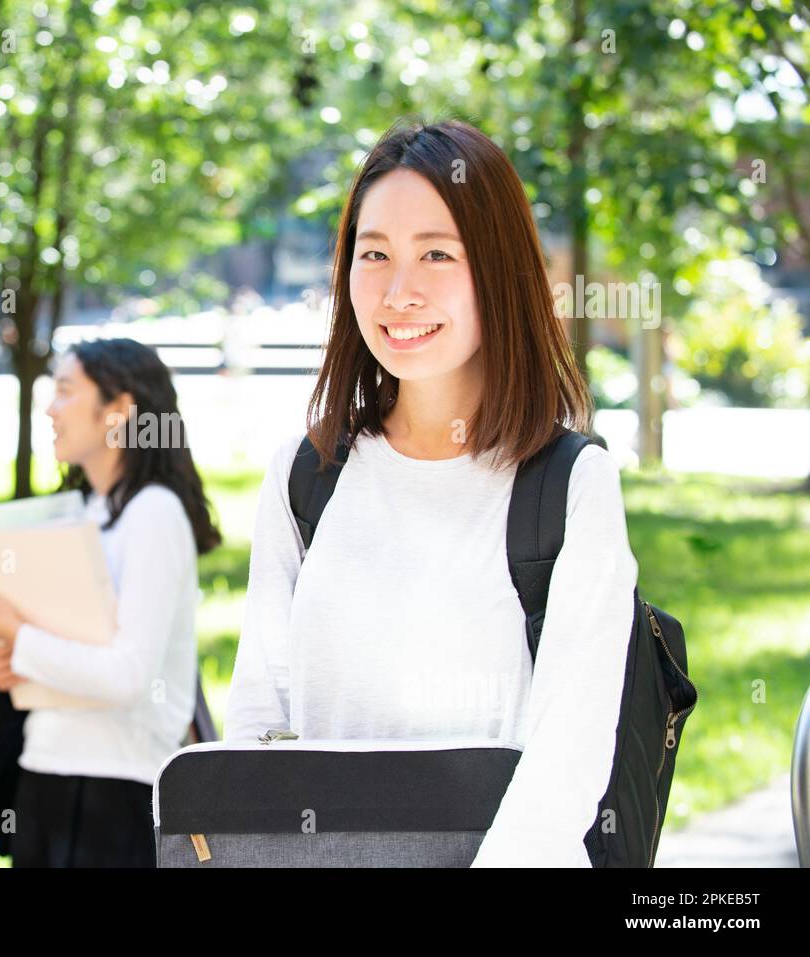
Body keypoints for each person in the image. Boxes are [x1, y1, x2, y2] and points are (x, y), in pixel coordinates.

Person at [223, 118, 640, 867]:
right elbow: (260, 723)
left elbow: (566, 758)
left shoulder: (570, 485)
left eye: (437, 254)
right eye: (373, 253)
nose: (399, 290)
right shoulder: (307, 474)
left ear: (501, 271)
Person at [0, 338, 221, 867]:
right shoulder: (86, 512)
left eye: (65, 392)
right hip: (45, 775)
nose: (49, 408)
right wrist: (13, 662)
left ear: (119, 411)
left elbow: (127, 676)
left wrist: (19, 635)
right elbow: (68, 649)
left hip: (116, 792)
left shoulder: (153, 515)